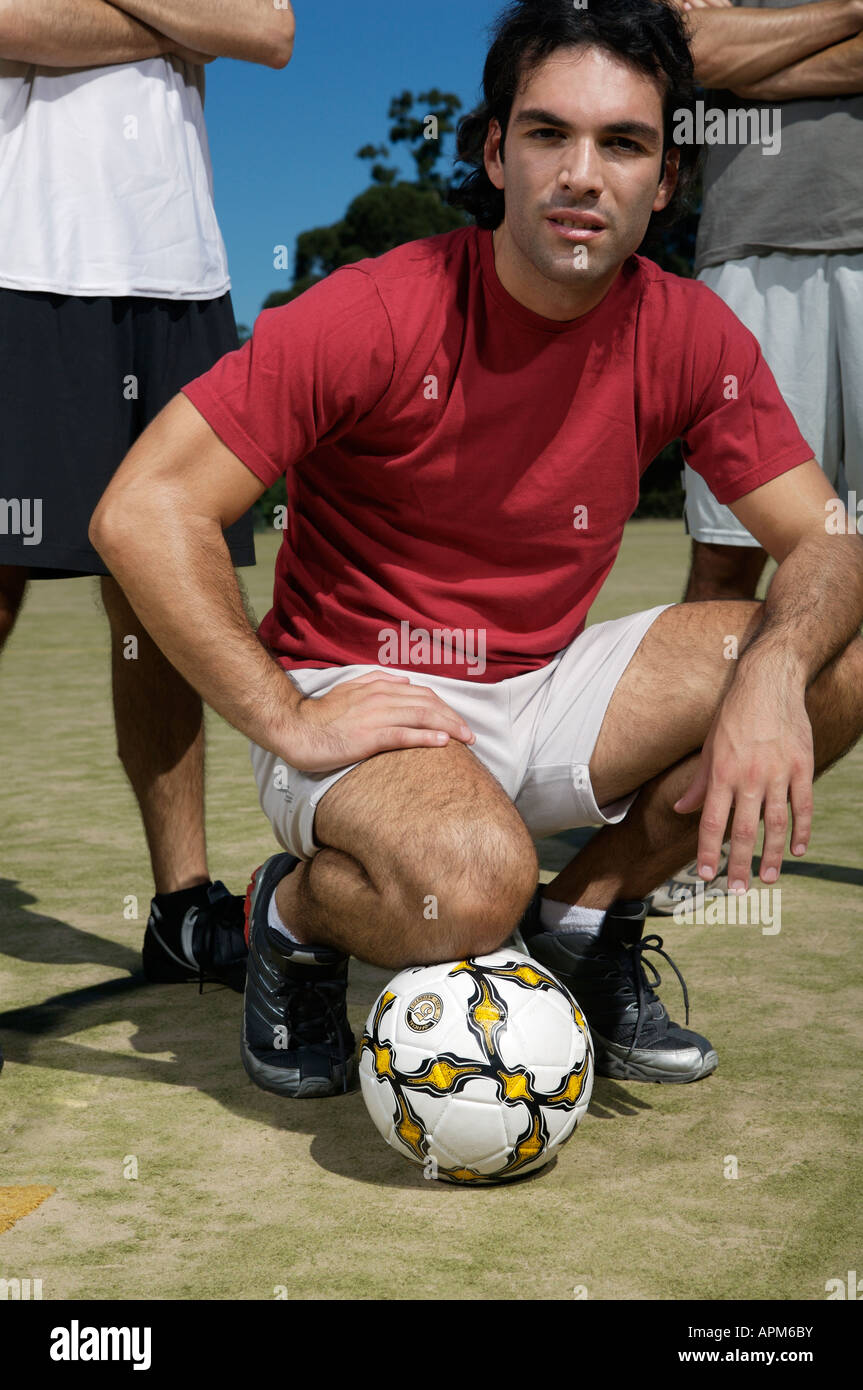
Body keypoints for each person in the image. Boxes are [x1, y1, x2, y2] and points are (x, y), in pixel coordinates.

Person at [90, 0, 863, 1105]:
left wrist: (773, 673)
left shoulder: (689, 328)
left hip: (541, 684)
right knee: (472, 881)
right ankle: (291, 919)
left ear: (668, 177)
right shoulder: (376, 308)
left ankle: (586, 921)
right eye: (547, 135)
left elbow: (827, 539)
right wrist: (283, 716)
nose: (581, 175)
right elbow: (144, 508)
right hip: (359, 690)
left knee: (834, 656)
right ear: (496, 153)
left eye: (623, 143)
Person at [0, 0, 296, 1058]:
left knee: (164, 591)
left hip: (176, 269)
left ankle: (182, 908)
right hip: (20, 260)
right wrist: (182, 25)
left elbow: (267, 28)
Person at [650, 0, 863, 913]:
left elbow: (733, 57)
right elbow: (694, 52)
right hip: (748, 253)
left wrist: (752, 63)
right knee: (725, 560)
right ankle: (683, 841)